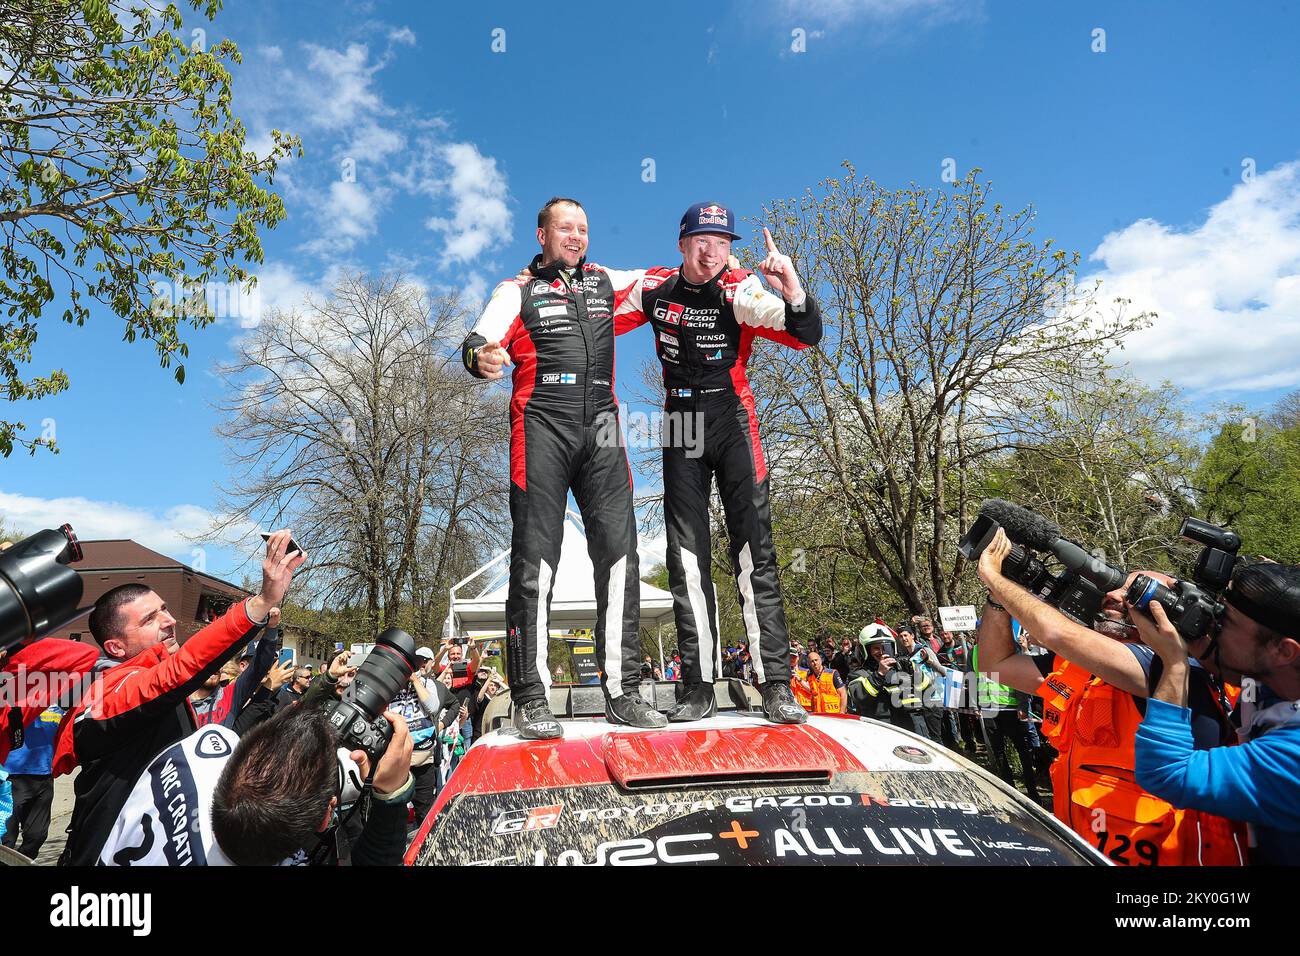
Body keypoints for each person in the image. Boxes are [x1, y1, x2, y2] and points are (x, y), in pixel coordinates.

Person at [461, 197, 662, 738]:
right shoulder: (516, 289)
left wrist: (723, 270)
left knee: (621, 556)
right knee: (536, 562)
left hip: (601, 423)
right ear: (542, 233)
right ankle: (530, 696)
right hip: (541, 422)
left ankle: (623, 691)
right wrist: (482, 358)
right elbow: (478, 342)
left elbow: (663, 283)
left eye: (583, 228)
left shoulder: (604, 283)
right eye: (564, 228)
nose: (575, 236)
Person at [615, 205, 822, 725]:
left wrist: (792, 289)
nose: (712, 251)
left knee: (756, 549)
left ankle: (775, 685)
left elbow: (803, 332)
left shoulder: (741, 288)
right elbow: (591, 295)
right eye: (701, 240)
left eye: (722, 241)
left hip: (732, 420)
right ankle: (697, 685)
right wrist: (538, 276)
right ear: (682, 244)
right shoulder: (654, 287)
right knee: (686, 559)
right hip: (680, 422)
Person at [977, 527, 1246, 866]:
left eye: (1136, 592)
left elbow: (1055, 632)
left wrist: (996, 579)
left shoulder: (1177, 669)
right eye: (1114, 590)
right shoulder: (1077, 668)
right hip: (1087, 852)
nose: (1115, 597)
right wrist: (996, 600)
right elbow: (995, 665)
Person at [52, 530, 305, 866]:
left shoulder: (166, 684)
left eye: (165, 609)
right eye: (149, 619)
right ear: (115, 647)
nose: (170, 621)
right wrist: (259, 603)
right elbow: (181, 670)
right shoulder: (107, 690)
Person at [1133, 562, 1300, 865]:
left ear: (1284, 651)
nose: (1213, 624)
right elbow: (1240, 667)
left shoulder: (1294, 751)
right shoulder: (1278, 678)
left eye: (1227, 620)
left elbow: (1165, 772)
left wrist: (1175, 663)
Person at [393, 646, 458, 829]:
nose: (420, 665)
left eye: (424, 661)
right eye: (417, 661)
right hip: (399, 758)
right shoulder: (395, 683)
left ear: (431, 663)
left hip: (424, 758)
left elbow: (436, 706)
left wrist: (442, 724)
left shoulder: (433, 684)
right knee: (397, 808)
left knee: (424, 806)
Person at [192, 607, 280, 727]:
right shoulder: (179, 703)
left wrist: (272, 628)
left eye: (218, 660)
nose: (214, 665)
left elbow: (258, 667)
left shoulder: (230, 695)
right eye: (208, 659)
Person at [0, 704, 61, 858]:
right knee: (6, 840)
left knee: (37, 836)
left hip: (44, 776)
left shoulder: (60, 701)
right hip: (10, 776)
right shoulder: (17, 699)